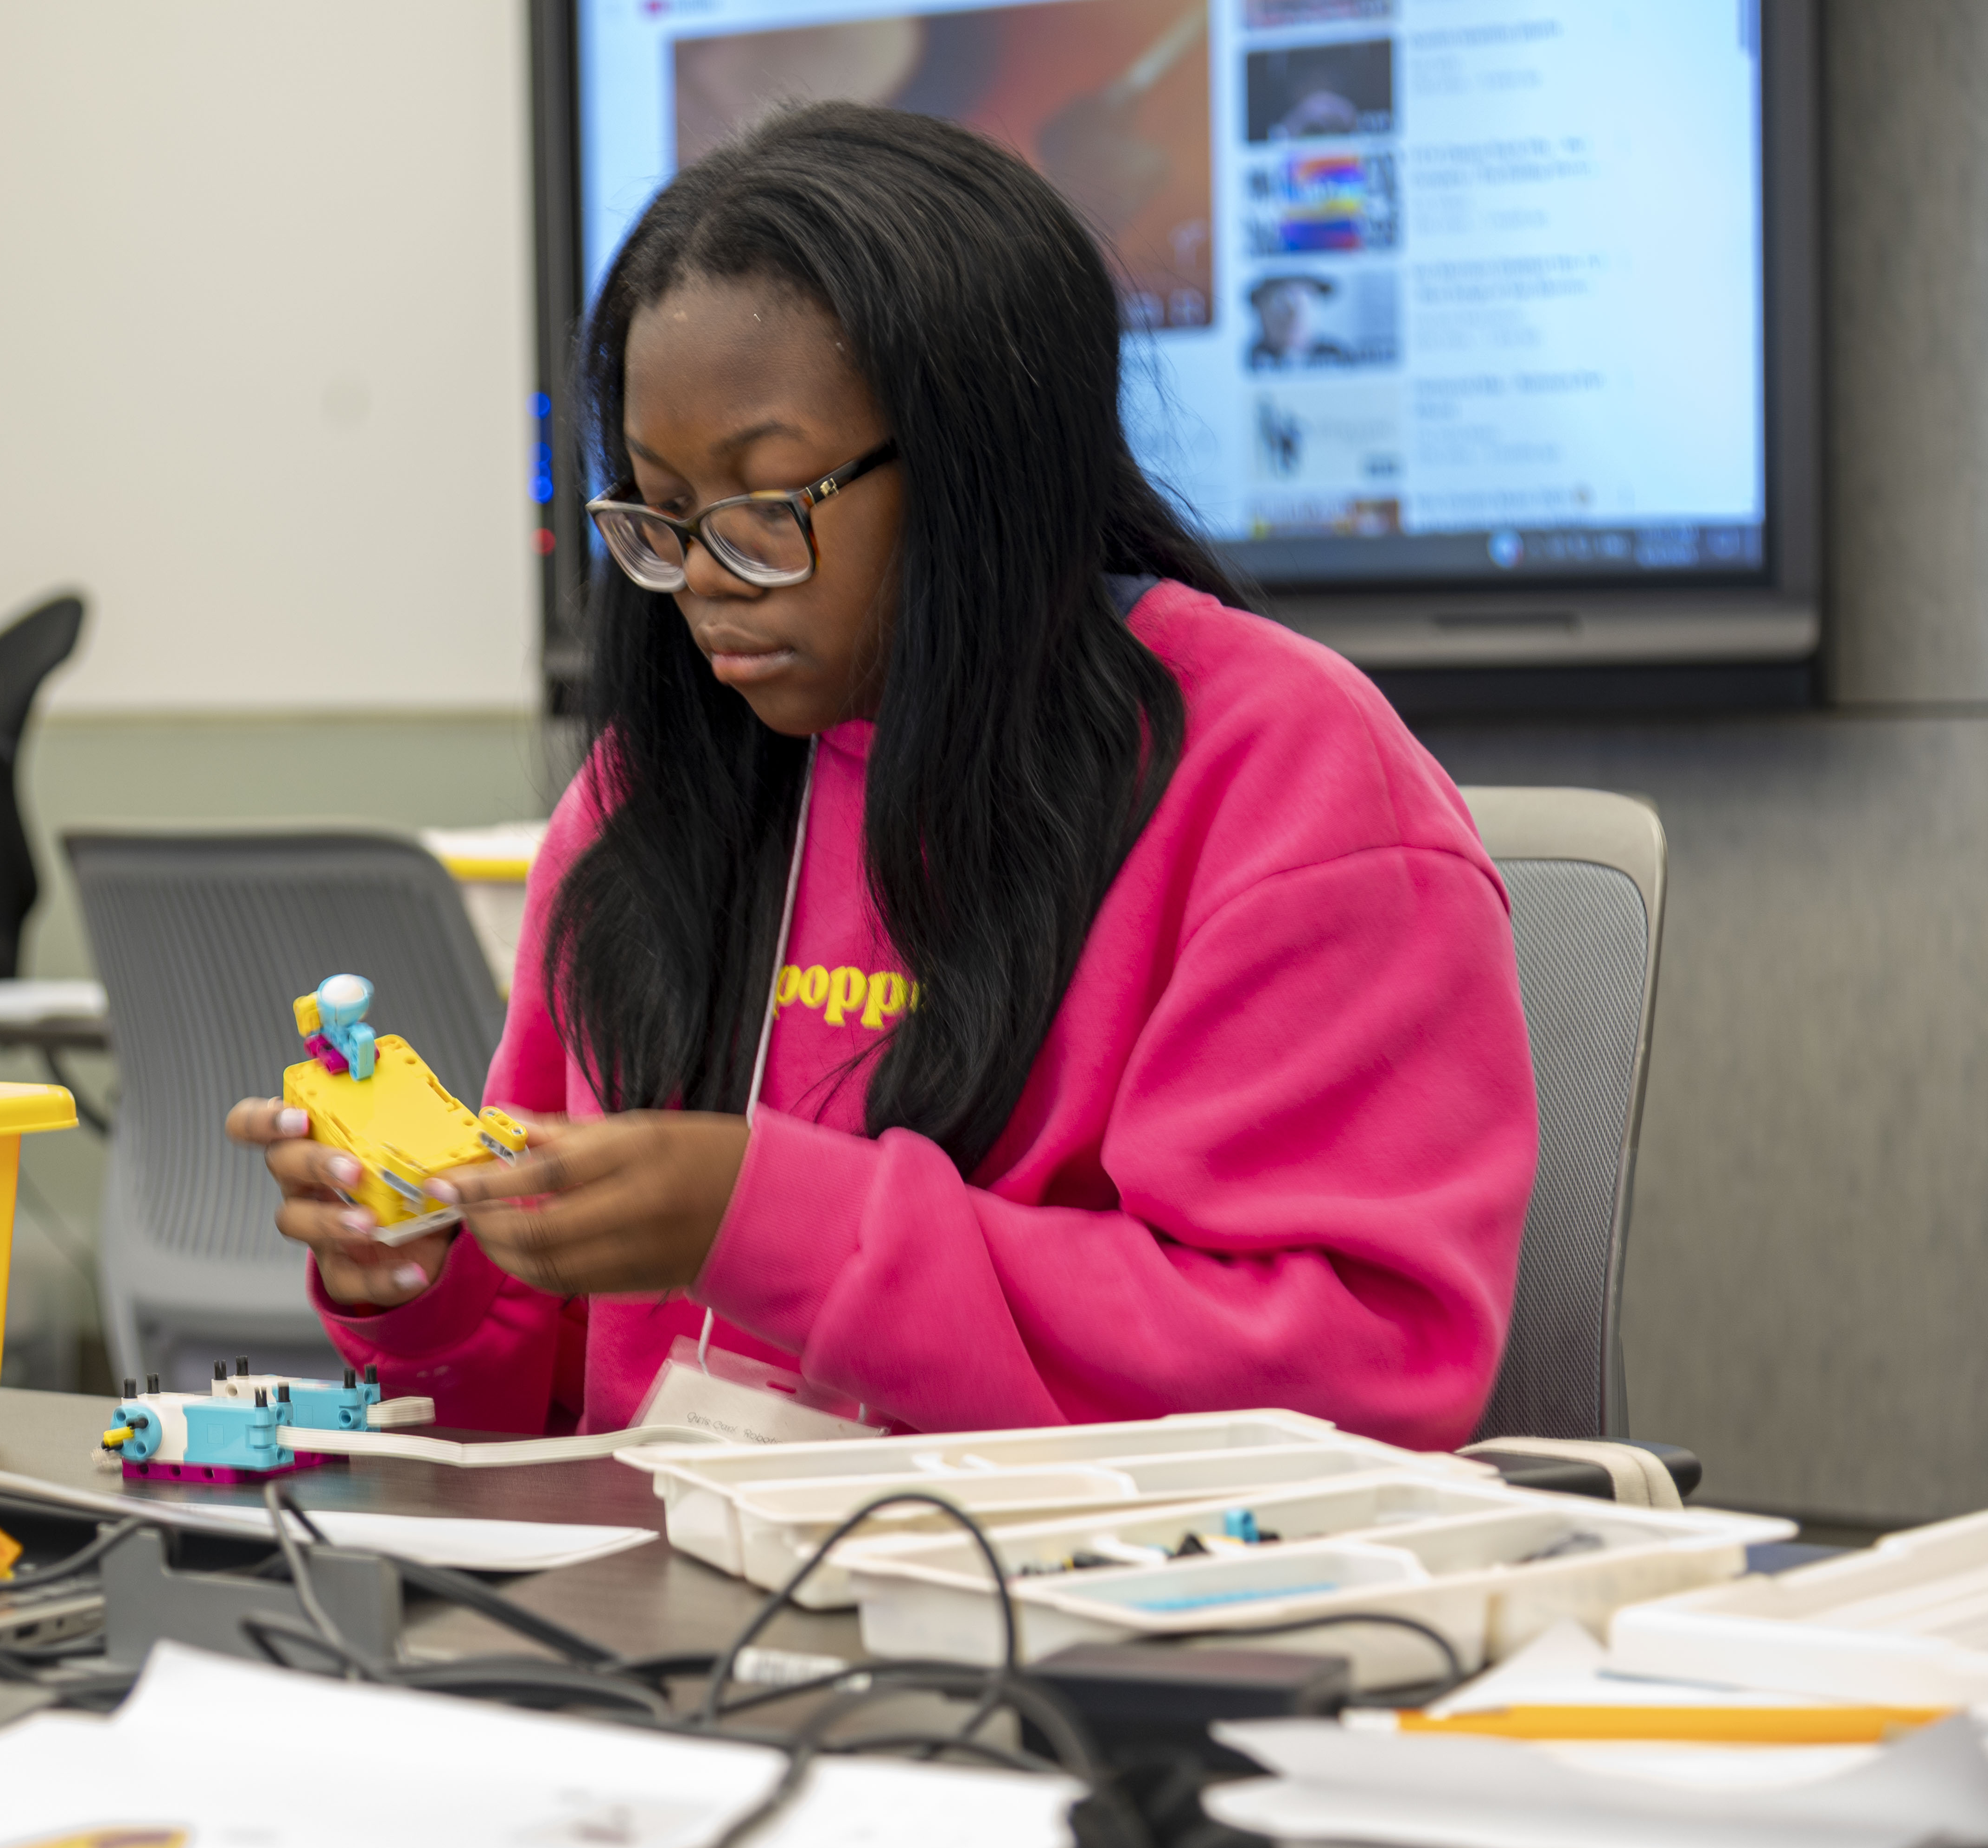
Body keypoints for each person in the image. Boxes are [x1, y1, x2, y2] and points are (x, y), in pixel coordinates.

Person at [229, 102, 1535, 1452]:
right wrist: (427, 1273)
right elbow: (534, 1420)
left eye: (766, 505)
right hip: (669, 1574)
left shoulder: (1280, 774)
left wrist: (771, 1225)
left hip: (1075, 1580)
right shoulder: (648, 793)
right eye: (661, 515)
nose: (705, 581)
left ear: (981, 462)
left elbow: (1354, 1378)